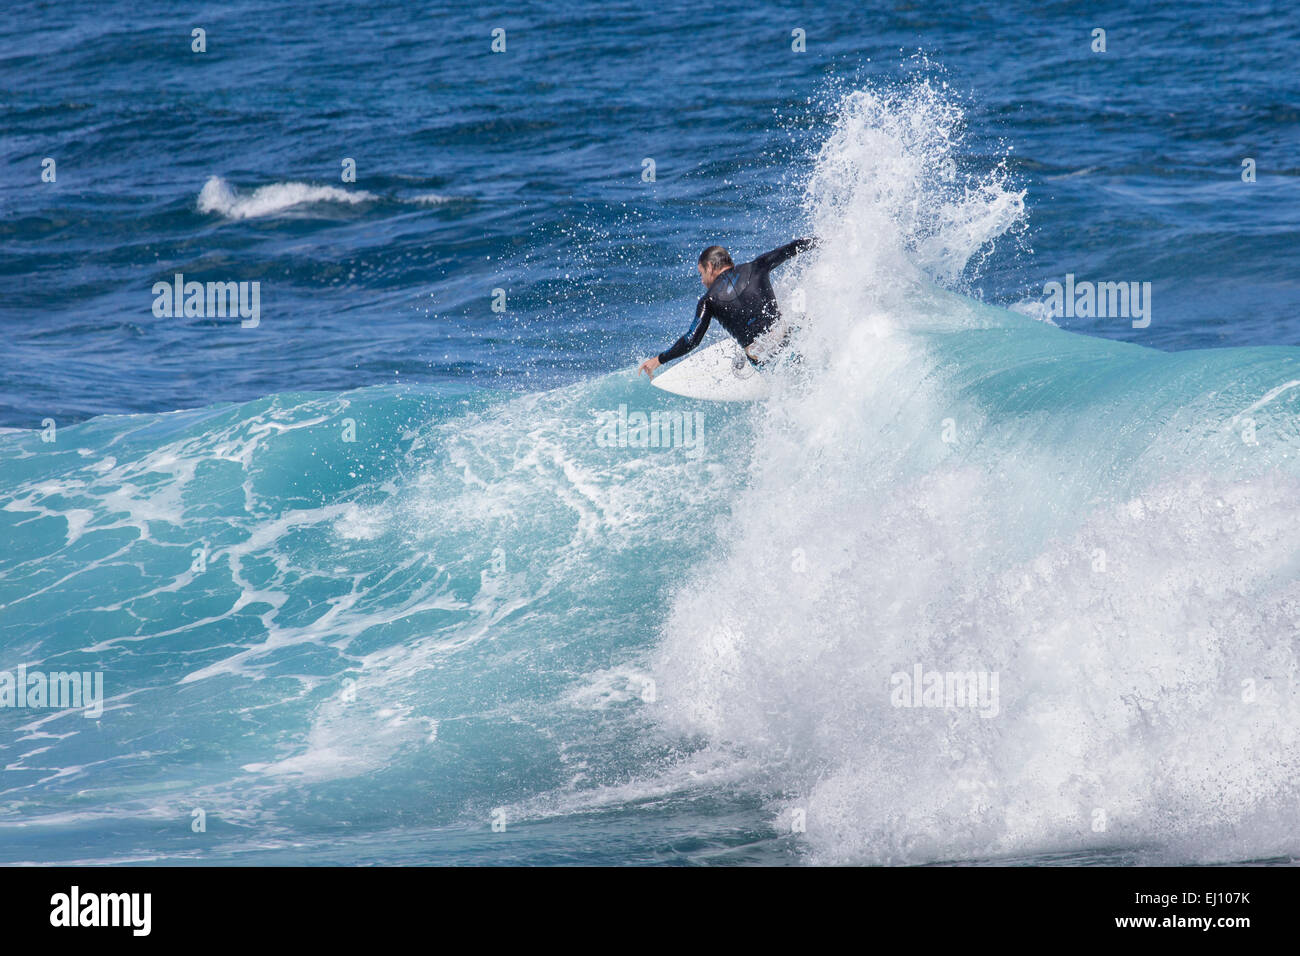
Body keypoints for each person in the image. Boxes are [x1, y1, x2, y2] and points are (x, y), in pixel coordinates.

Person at [639, 238, 816, 379]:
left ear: (710, 267)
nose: (702, 280)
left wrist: (659, 359)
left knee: (760, 351)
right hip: (784, 338)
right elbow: (793, 247)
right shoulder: (756, 266)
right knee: (797, 316)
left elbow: (691, 340)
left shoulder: (708, 300)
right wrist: (826, 241)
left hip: (763, 358)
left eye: (701, 273)